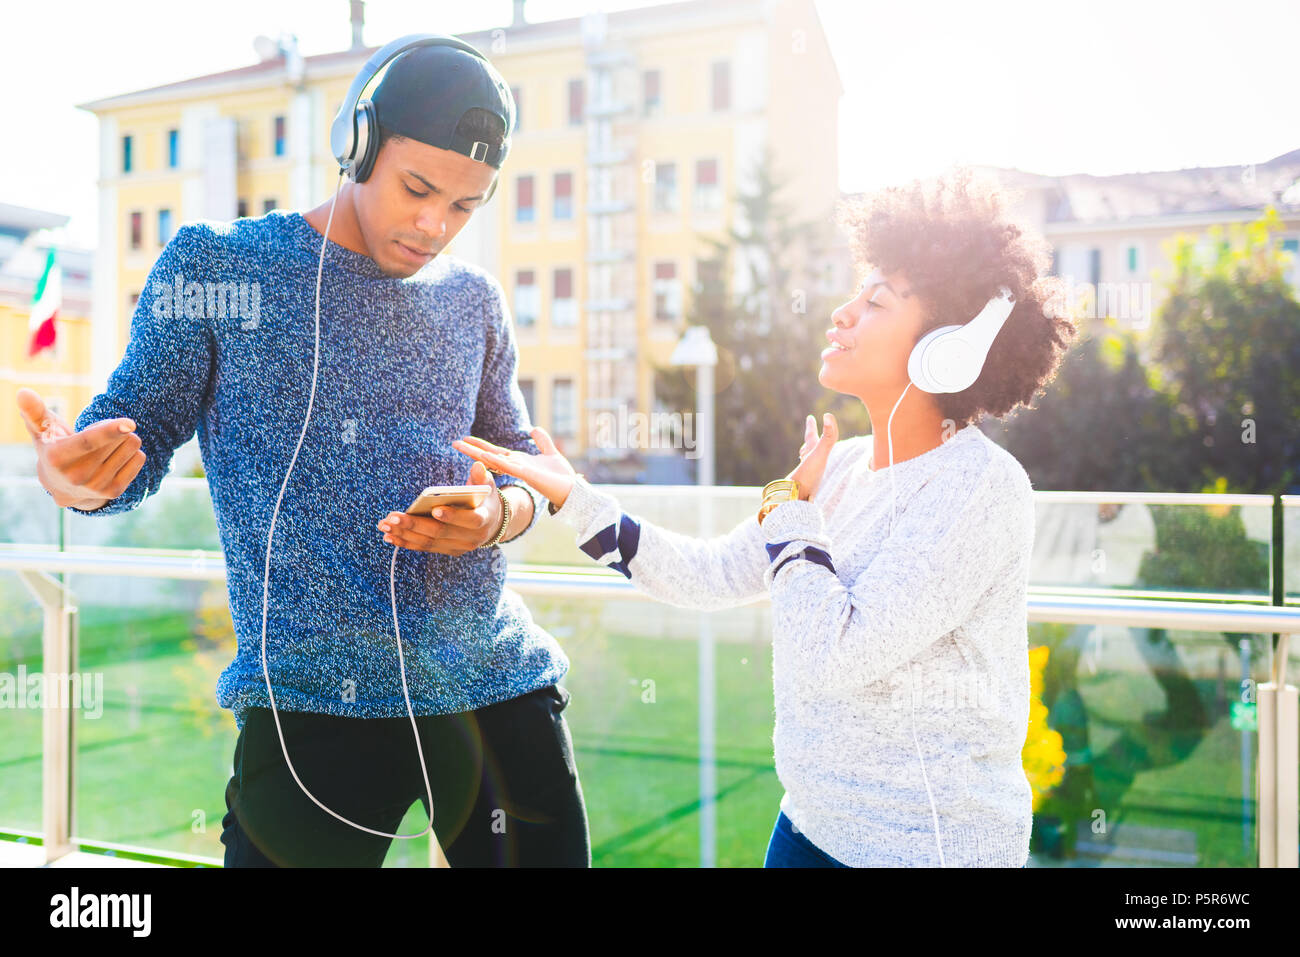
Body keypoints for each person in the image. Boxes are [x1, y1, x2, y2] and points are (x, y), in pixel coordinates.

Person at [16, 41, 589, 868]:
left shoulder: (476, 301)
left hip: (494, 691)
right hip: (309, 709)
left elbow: (523, 473)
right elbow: (129, 438)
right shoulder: (217, 264)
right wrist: (72, 479)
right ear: (356, 143)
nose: (435, 223)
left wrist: (499, 514)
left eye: (465, 206)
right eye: (418, 189)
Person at [454, 169, 1078, 867]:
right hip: (808, 829)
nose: (842, 313)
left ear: (949, 348)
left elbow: (836, 654)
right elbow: (705, 573)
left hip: (924, 851)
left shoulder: (981, 489)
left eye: (876, 301)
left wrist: (790, 515)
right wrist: (575, 495)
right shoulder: (838, 471)